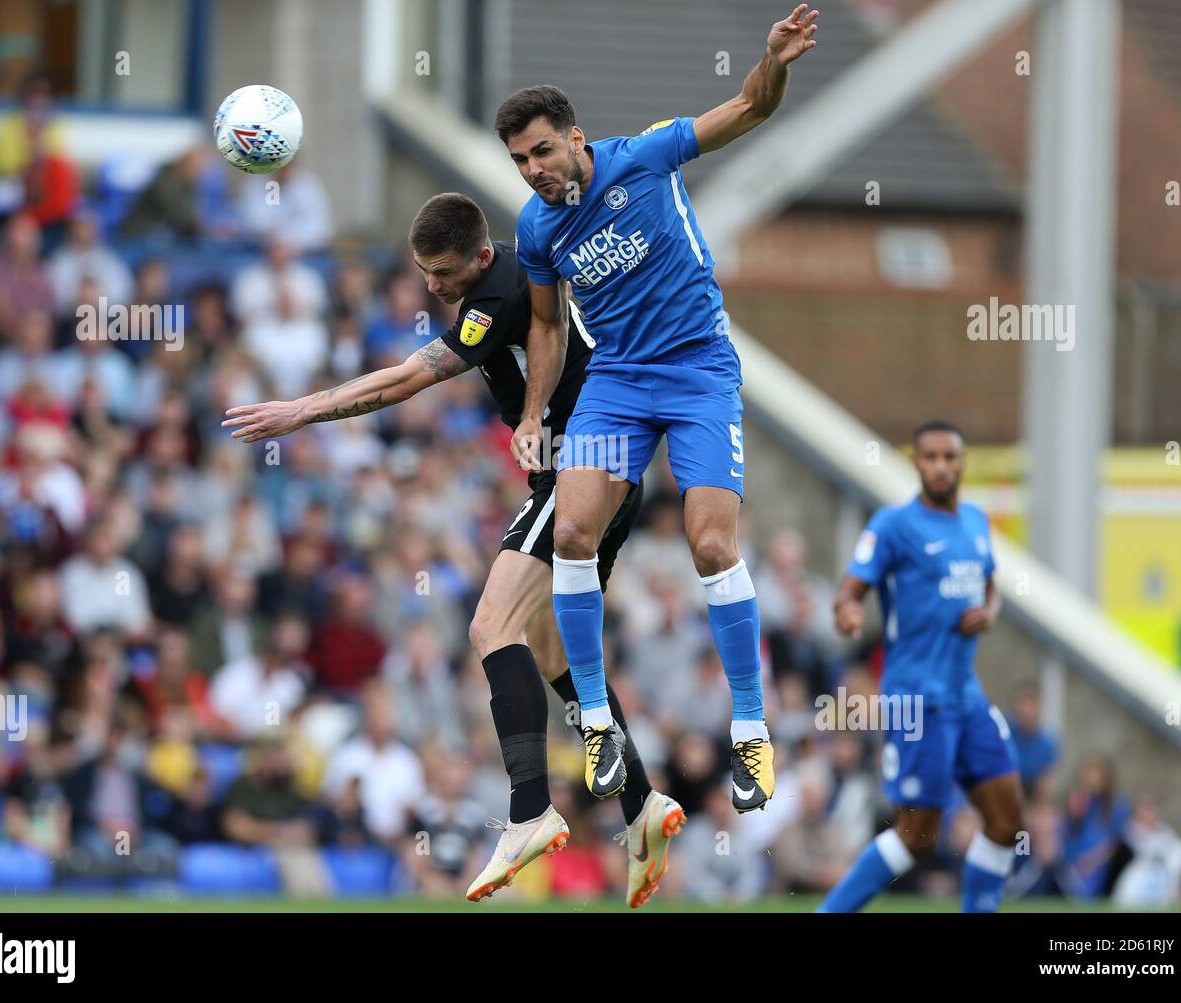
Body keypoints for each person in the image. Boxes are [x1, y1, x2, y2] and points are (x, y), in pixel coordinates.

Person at [223, 192, 684, 908]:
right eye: (423, 272)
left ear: (480, 256)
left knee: (487, 626)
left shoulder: (496, 293)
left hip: (585, 466)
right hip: (600, 466)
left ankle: (531, 809)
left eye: (443, 272)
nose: (432, 285)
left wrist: (303, 410)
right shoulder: (502, 283)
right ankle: (642, 807)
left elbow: (410, 377)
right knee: (551, 650)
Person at [494, 6, 820, 813]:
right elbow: (543, 323)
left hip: (700, 372)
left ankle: (751, 728)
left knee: (711, 543)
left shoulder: (645, 155)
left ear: (576, 137)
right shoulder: (537, 230)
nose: (532, 169)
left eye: (541, 150)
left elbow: (749, 109)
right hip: (617, 385)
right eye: (518, 159)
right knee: (572, 530)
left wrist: (772, 61)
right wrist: (535, 413)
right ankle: (599, 723)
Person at [818, 419, 1025, 912]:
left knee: (1006, 822)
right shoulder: (893, 525)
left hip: (967, 698)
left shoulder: (975, 522)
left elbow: (990, 584)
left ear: (961, 462)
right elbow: (849, 592)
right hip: (916, 699)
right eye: (929, 457)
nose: (939, 466)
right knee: (916, 836)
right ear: (916, 463)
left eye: (948, 457)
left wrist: (990, 612)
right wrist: (847, 613)